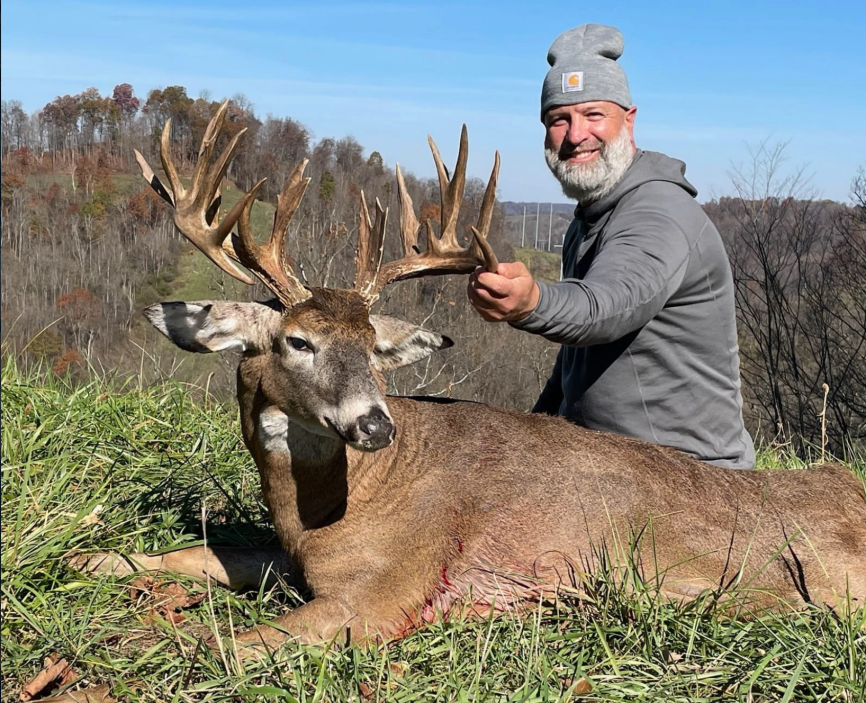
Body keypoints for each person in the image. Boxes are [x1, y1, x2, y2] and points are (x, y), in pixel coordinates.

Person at [467, 23, 755, 469]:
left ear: (629, 119)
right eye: (559, 119)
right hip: (608, 465)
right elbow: (576, 361)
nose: (576, 134)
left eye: (594, 115)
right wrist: (528, 432)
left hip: (688, 477)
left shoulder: (658, 212)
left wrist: (531, 302)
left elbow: (604, 307)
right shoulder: (589, 219)